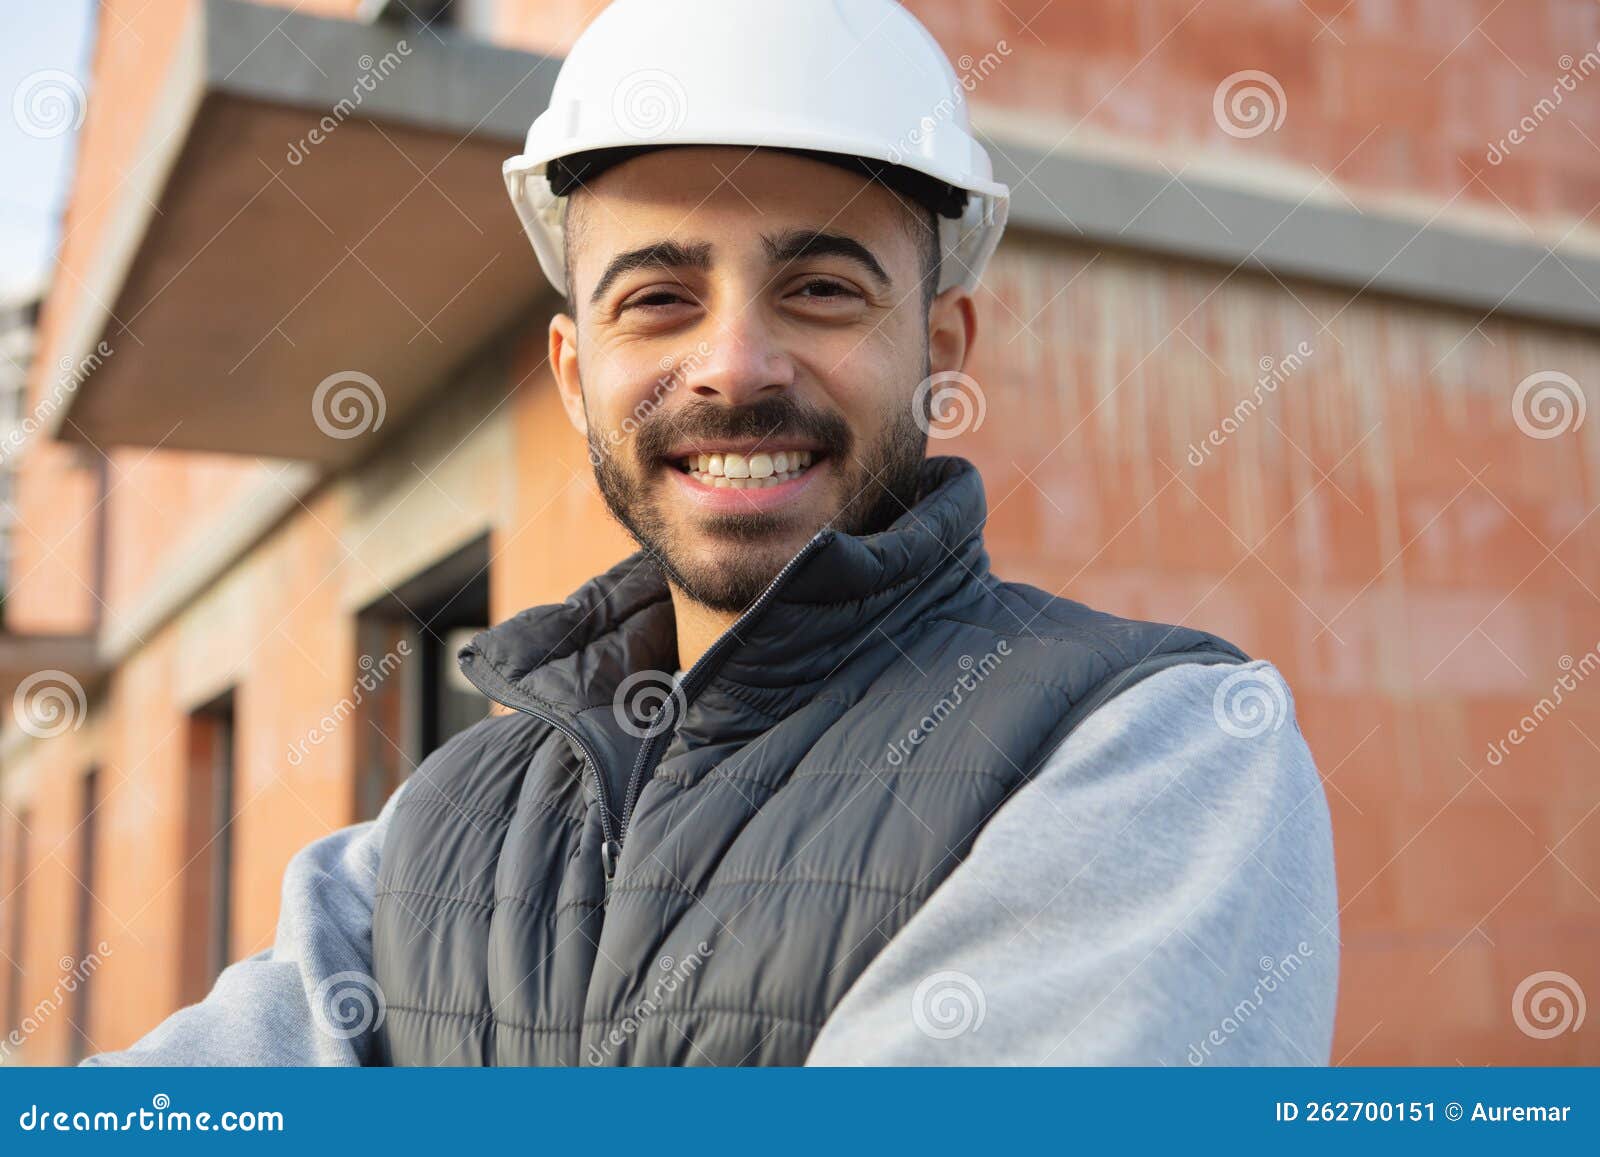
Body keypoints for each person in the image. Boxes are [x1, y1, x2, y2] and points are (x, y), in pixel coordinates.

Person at [85, 0, 1337, 1067]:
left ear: (940, 350)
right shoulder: (435, 825)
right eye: (658, 298)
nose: (734, 364)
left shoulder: (1155, 743)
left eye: (822, 289)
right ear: (575, 373)